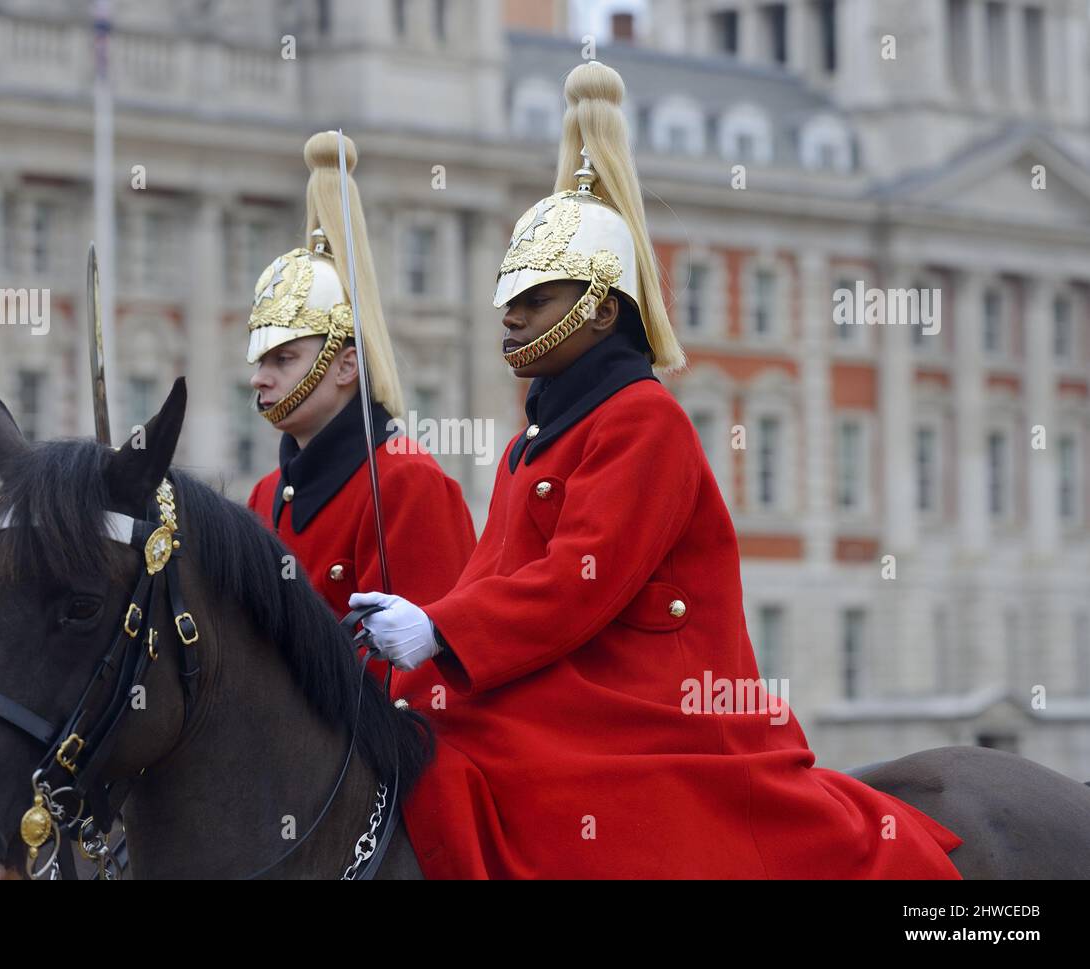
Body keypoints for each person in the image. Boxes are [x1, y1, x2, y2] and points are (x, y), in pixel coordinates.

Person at [350, 62, 965, 878]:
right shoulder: (530, 438)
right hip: (561, 679)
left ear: (601, 310)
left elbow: (578, 581)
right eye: (511, 295)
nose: (511, 314)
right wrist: (426, 623)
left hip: (646, 697)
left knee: (471, 768)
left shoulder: (645, 420)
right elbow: (497, 576)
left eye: (536, 298)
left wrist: (441, 633)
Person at [246, 132, 476, 683]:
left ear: (345, 366)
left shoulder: (405, 481)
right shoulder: (264, 493)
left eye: (283, 358)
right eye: (260, 358)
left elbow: (416, 680)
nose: (260, 376)